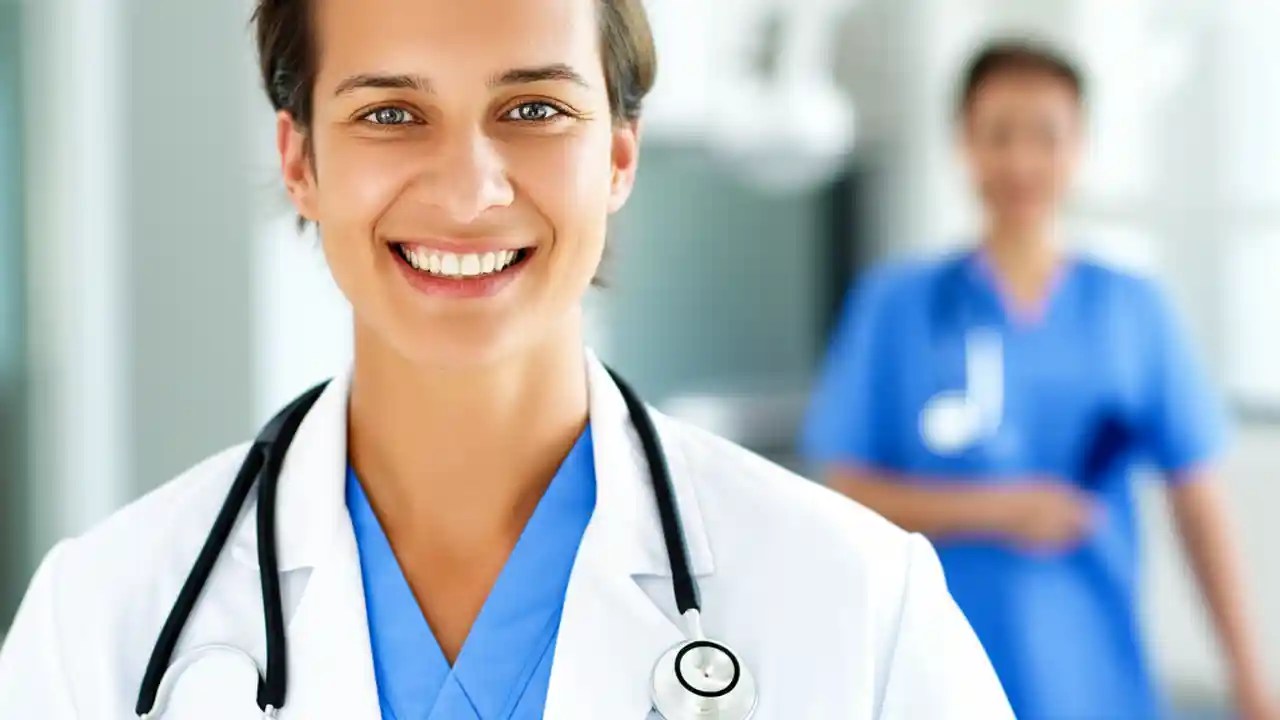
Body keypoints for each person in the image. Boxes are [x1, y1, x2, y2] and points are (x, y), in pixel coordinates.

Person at [0, 1, 1012, 717]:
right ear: (300, 159)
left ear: (617, 155)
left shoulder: (853, 601)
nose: (470, 189)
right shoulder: (106, 622)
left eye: (532, 110)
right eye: (390, 114)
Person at [803, 40, 1277, 720]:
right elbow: (847, 495)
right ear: (964, 144)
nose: (1021, 161)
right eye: (999, 135)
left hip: (1096, 682)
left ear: (1080, 147)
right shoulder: (896, 306)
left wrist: (1250, 682)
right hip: (931, 679)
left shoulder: (1132, 310)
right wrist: (1004, 509)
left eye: (1045, 136)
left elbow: (1200, 508)